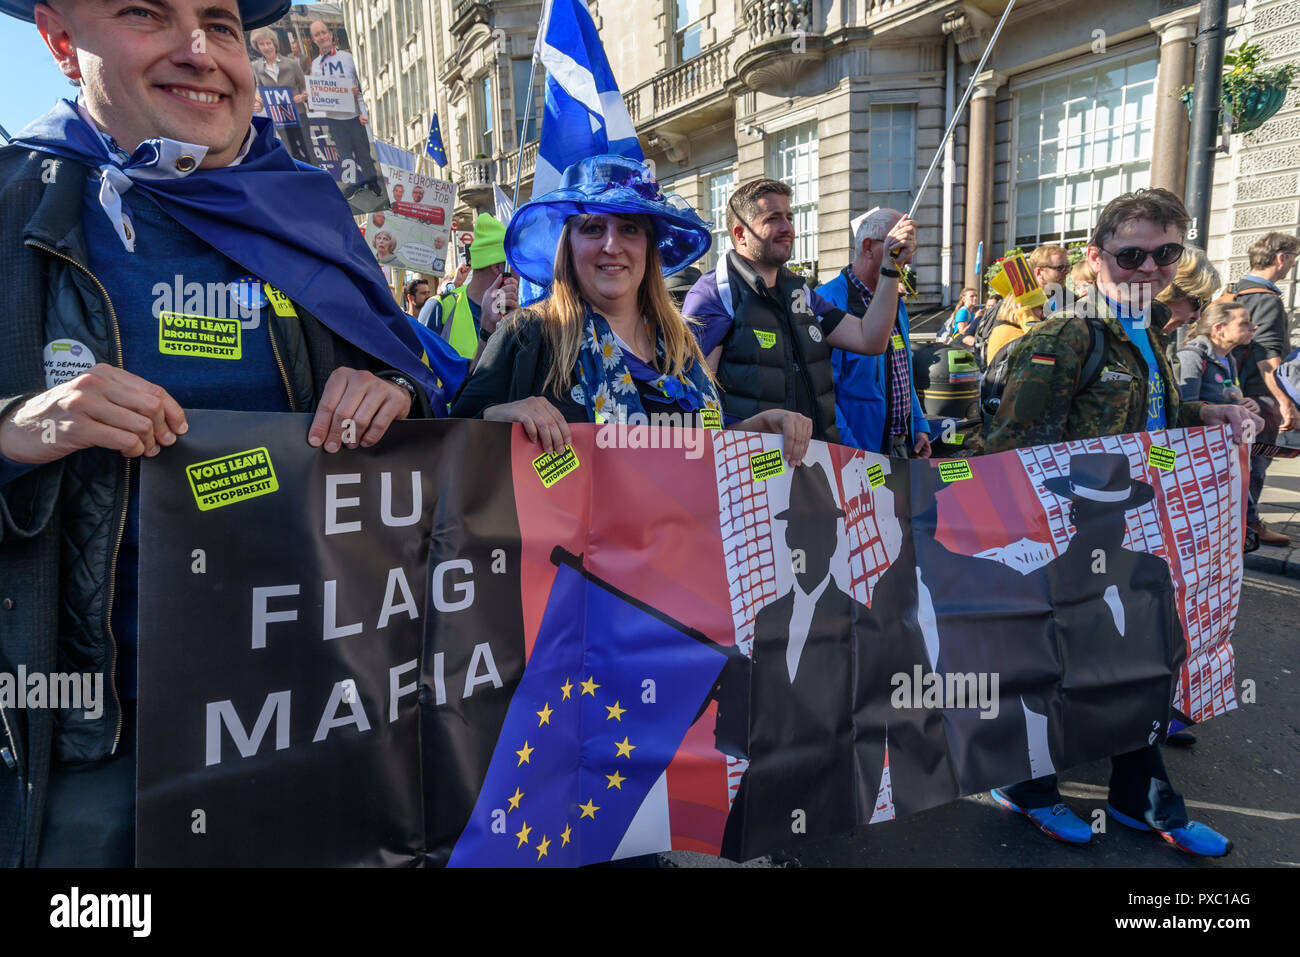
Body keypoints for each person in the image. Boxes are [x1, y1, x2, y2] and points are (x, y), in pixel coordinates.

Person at [0, 0, 466, 867]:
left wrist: (395, 392)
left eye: (219, 22)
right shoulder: (11, 202)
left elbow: (422, 406)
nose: (199, 51)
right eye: (146, 13)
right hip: (87, 750)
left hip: (310, 711)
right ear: (61, 41)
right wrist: (18, 428)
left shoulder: (306, 209)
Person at [986, 188, 1261, 856]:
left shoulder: (1152, 332)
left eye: (1165, 252)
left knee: (1136, 668)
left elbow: (1151, 423)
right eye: (1131, 253)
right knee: (1058, 673)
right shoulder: (1067, 334)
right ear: (1095, 256)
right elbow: (1011, 451)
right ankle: (1027, 785)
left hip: (1136, 532)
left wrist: (1209, 416)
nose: (1148, 267)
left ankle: (1139, 798)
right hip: (1070, 538)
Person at [452, 155, 812, 460]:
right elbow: (451, 437)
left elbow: (699, 448)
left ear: (649, 248)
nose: (612, 245)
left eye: (629, 228)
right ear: (569, 247)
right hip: (573, 544)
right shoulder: (528, 334)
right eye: (593, 229)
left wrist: (759, 426)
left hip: (681, 540)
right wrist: (496, 417)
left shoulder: (678, 342)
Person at [682, 178, 915, 444]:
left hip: (814, 464)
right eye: (773, 218)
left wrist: (889, 267)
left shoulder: (798, 292)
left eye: (789, 217)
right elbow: (692, 402)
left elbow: (869, 339)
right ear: (740, 234)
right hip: (754, 471)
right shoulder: (715, 293)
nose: (788, 228)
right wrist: (751, 428)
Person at [816, 207, 932, 457]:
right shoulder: (829, 302)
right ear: (868, 247)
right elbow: (824, 394)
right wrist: (853, 453)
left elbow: (903, 373)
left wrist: (918, 427)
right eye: (899, 249)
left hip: (899, 447)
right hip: (858, 453)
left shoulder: (895, 303)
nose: (908, 260)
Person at [1231, 231, 1300, 546]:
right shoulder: (1268, 300)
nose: (1291, 266)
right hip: (1260, 397)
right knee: (1255, 464)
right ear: (1281, 259)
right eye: (1293, 259)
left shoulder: (1235, 292)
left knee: (1238, 465)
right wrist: (1285, 403)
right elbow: (1268, 360)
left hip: (1235, 395)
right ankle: (1249, 526)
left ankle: (1239, 522)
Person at [415, 212, 518, 362]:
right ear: (498, 268)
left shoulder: (516, 312)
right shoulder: (439, 308)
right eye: (515, 265)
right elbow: (420, 374)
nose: (521, 273)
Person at [307, 19, 378, 196]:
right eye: (317, 34)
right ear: (313, 40)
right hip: (334, 119)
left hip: (354, 116)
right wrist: (313, 95)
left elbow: (362, 87)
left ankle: (372, 183)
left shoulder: (348, 58)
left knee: (364, 152)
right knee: (345, 155)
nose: (322, 36)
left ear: (330, 35)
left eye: (324, 32)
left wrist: (363, 111)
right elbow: (319, 91)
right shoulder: (315, 65)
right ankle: (353, 185)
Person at [1176, 302, 1258, 410]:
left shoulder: (1230, 359)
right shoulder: (1192, 356)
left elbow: (1229, 398)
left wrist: (1247, 405)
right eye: (1244, 323)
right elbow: (1187, 407)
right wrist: (1224, 410)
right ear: (1219, 329)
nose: (1254, 327)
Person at [249, 27, 308, 159]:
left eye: (268, 43)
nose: (266, 47)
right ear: (257, 47)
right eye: (262, 44)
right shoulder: (256, 67)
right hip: (278, 116)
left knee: (307, 147)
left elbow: (305, 86)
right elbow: (259, 91)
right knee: (288, 150)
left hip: (298, 113)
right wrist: (258, 103)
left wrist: (303, 96)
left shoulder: (291, 64)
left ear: (274, 44)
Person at [1155, 246, 1220, 367]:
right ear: (1169, 289)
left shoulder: (1160, 341)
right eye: (1197, 301)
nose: (1196, 316)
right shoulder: (1117, 331)